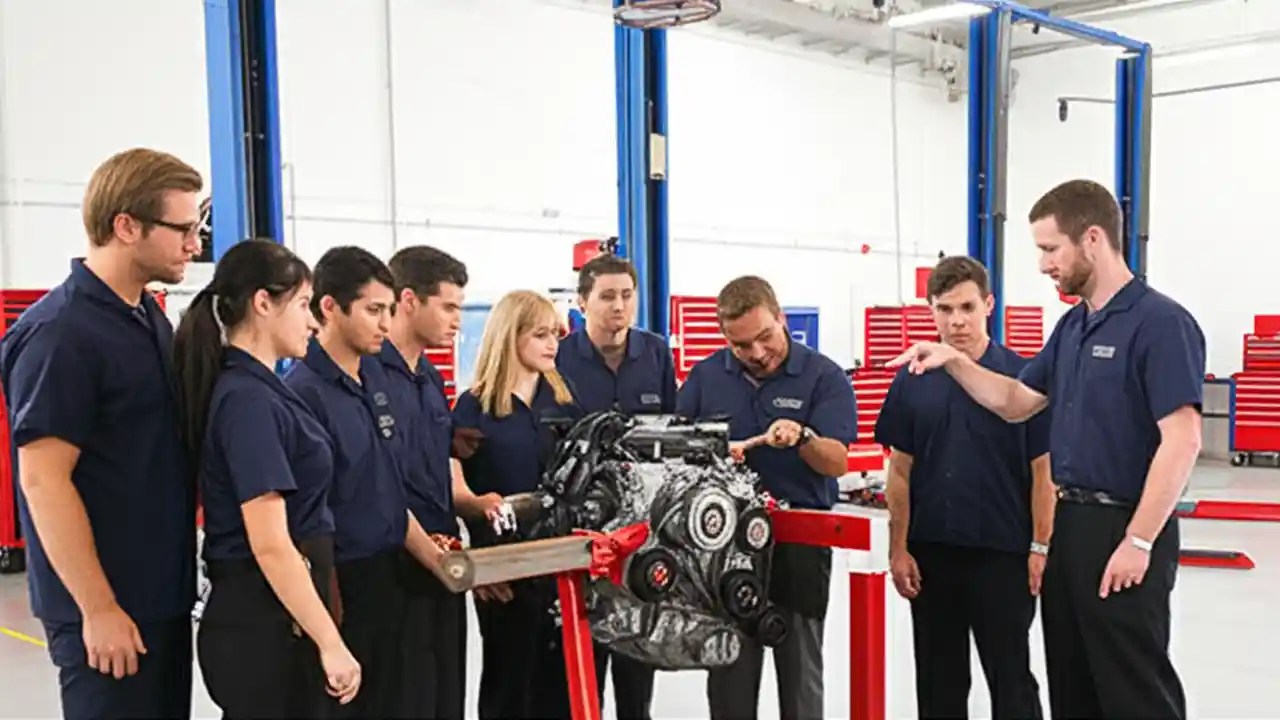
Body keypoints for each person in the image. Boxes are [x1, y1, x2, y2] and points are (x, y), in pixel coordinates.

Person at [888, 178, 1203, 720]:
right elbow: (1015, 400)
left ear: (1093, 239)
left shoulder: (1161, 323)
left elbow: (1183, 438)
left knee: (1132, 687)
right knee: (1071, 682)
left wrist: (1140, 540)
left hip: (1123, 524)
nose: (1042, 264)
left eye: (1050, 248)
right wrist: (955, 361)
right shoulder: (1072, 328)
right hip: (1072, 527)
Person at [0, 148, 202, 719]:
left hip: (160, 597)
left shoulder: (147, 319)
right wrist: (99, 607)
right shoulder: (60, 334)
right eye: (183, 229)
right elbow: (43, 480)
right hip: (107, 610)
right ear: (126, 226)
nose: (194, 244)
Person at [173, 239, 361, 717]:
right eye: (302, 304)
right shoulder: (247, 402)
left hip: (280, 616)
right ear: (262, 303)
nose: (313, 321)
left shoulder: (265, 390)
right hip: (262, 625)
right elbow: (271, 542)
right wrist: (329, 640)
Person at [875, 255, 1053, 719]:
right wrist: (899, 548)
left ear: (988, 305)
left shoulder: (1025, 378)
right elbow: (900, 470)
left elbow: (1043, 472)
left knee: (1011, 678)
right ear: (930, 310)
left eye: (967, 307)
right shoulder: (912, 380)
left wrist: (1041, 545)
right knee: (938, 683)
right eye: (945, 309)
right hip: (932, 555)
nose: (957, 321)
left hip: (1004, 555)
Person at [676, 276, 858, 720]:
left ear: (781, 318)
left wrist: (803, 437)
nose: (757, 354)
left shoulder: (824, 376)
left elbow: (837, 462)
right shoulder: (705, 377)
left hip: (798, 548)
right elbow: (676, 453)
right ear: (725, 339)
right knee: (729, 679)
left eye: (765, 337)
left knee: (800, 675)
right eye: (741, 346)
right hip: (724, 549)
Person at [285, 245, 447, 719]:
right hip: (341, 588)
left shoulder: (375, 383)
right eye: (374, 310)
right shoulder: (302, 396)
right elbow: (299, 520)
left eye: (389, 311)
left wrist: (438, 560)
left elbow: (390, 494)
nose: (384, 324)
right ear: (330, 308)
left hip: (394, 580)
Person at [451, 289, 584, 720]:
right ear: (511, 337)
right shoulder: (475, 408)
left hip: (561, 565)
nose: (552, 344)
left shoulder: (565, 404)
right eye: (540, 334)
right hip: (503, 568)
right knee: (509, 683)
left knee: (560, 687)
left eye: (555, 335)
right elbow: (455, 490)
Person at [554, 254, 675, 719]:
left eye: (627, 295)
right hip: (577, 529)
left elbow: (671, 430)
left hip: (640, 531)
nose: (618, 306)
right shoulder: (559, 358)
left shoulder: (656, 352)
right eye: (606, 296)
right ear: (583, 302)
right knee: (581, 656)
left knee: (635, 653)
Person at [381, 244, 470, 719]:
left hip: (444, 559)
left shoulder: (431, 377)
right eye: (449, 307)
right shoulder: (368, 376)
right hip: (394, 567)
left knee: (446, 694)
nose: (457, 320)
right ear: (409, 300)